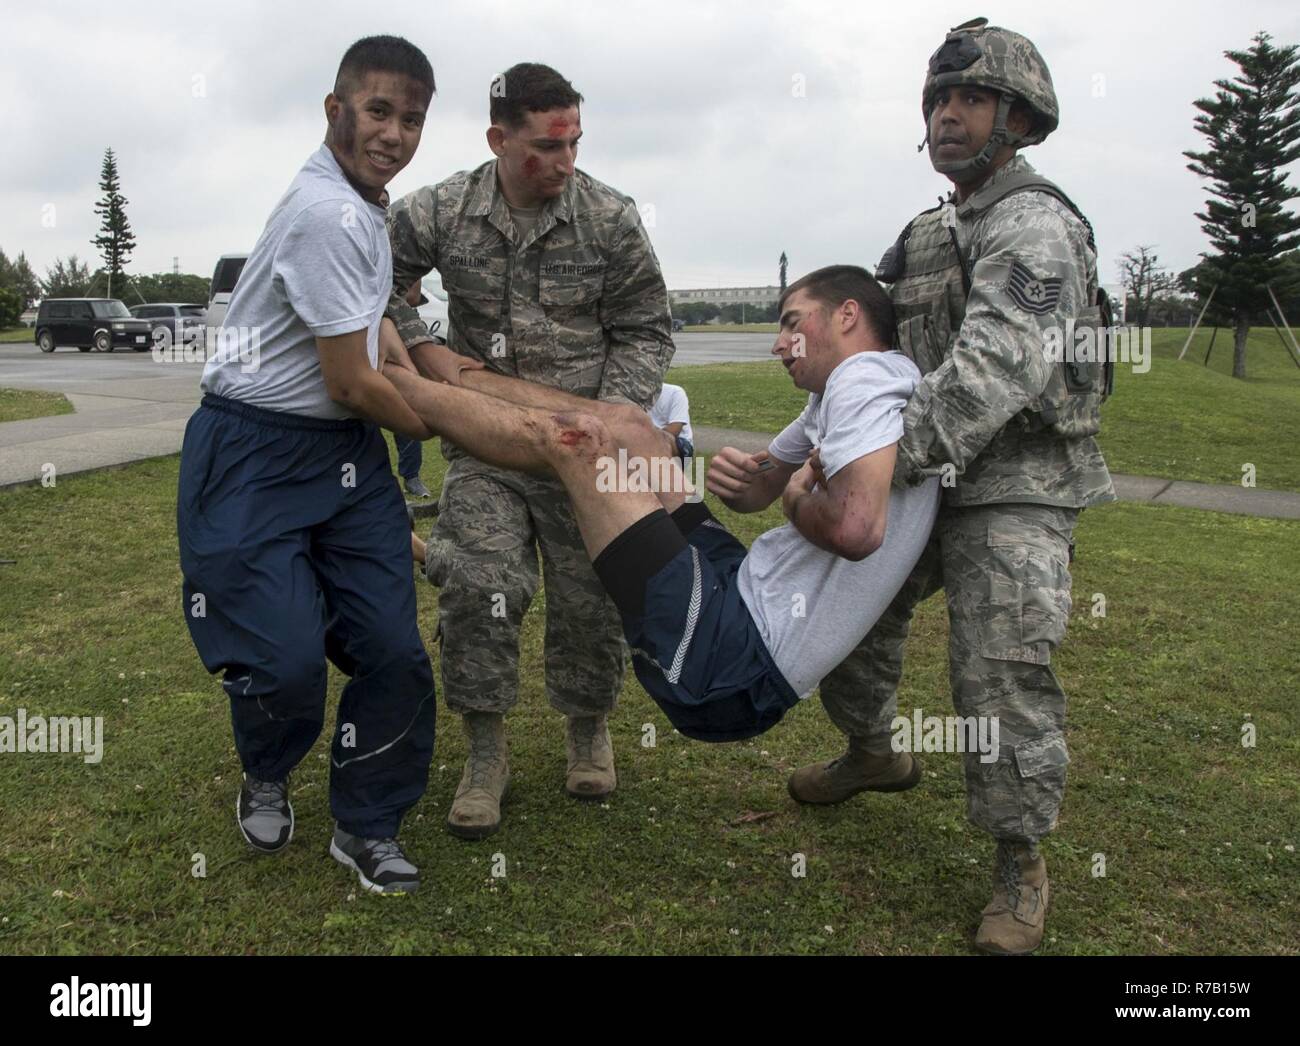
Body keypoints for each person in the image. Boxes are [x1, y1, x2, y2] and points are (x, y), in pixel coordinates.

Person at [791, 18, 1116, 953]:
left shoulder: (1036, 224)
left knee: (1000, 667)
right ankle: (872, 753)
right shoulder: (927, 232)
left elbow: (987, 376)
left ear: (1017, 116)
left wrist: (870, 463)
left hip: (1016, 480)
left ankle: (1020, 865)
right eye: (937, 100)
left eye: (970, 99)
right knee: (845, 614)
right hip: (920, 471)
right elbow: (873, 351)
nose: (947, 116)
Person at [378, 265, 939, 743]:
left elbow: (857, 529)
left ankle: (390, 378)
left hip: (734, 664)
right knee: (629, 427)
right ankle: (452, 370)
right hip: (739, 588)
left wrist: (794, 497)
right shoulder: (842, 392)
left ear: (846, 315)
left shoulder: (862, 379)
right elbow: (761, 485)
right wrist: (755, 479)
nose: (778, 344)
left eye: (792, 324)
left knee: (576, 444)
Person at [177, 35, 460, 894]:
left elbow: (367, 326)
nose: (396, 134)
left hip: (341, 457)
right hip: (254, 447)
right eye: (379, 112)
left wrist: (421, 367)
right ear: (335, 109)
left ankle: (368, 824)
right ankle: (267, 767)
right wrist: (460, 422)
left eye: (412, 119)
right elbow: (349, 381)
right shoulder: (328, 212)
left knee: (393, 651)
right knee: (286, 658)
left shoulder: (365, 201)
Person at [385, 62, 674, 839]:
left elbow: (647, 325)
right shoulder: (444, 208)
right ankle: (486, 752)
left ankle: (588, 728)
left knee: (590, 595)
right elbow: (370, 271)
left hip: (582, 448)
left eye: (575, 142)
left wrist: (612, 417)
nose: (566, 162)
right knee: (479, 579)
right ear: (499, 139)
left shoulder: (608, 217)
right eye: (548, 146)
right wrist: (426, 349)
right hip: (488, 444)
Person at [650, 382, 694, 462]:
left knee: (665, 439)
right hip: (648, 439)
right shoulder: (631, 396)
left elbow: (674, 430)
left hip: (679, 443)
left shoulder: (675, 393)